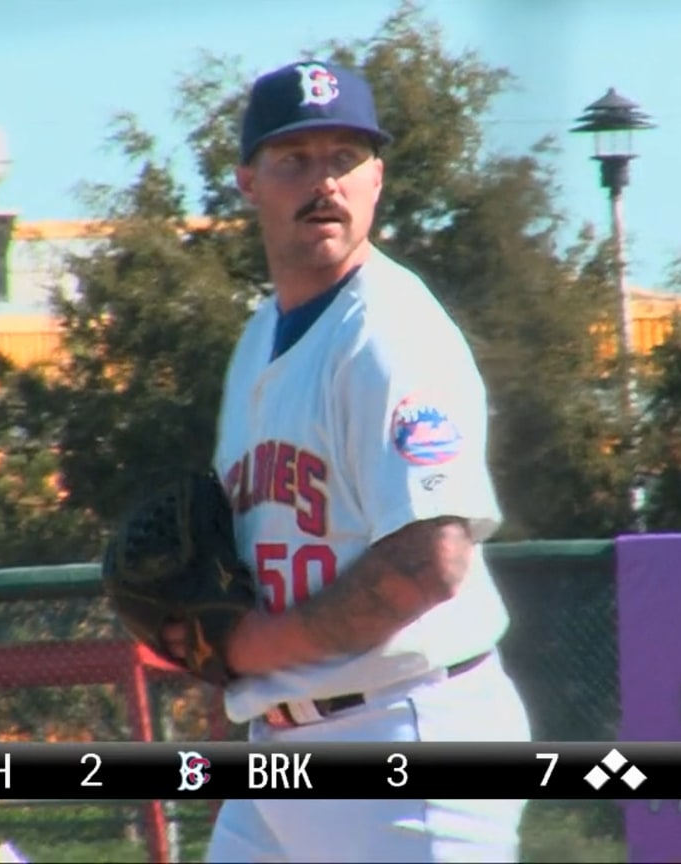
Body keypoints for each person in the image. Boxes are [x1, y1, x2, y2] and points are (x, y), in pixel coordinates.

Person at [184, 59, 532, 863]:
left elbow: (429, 562)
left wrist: (250, 649)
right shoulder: (259, 337)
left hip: (408, 734)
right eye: (295, 160)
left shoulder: (388, 335)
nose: (324, 182)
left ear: (377, 178)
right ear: (247, 182)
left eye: (345, 158)